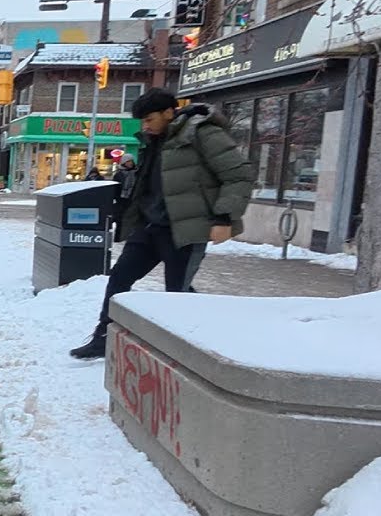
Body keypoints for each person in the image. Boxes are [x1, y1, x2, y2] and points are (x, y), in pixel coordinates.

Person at [70, 88, 252, 360]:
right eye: (142, 121)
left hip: (184, 229)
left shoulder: (202, 133)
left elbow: (239, 176)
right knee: (120, 278)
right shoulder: (153, 140)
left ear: (170, 112)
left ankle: (184, 350)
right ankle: (103, 338)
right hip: (149, 226)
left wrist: (224, 218)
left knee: (176, 292)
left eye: (150, 119)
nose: (146, 126)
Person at [111, 153, 138, 242]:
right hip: (121, 200)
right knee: (119, 220)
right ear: (124, 162)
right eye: (128, 161)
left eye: (131, 161)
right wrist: (117, 198)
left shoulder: (137, 173)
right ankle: (118, 238)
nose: (130, 163)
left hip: (133, 200)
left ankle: (129, 238)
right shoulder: (119, 174)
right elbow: (115, 188)